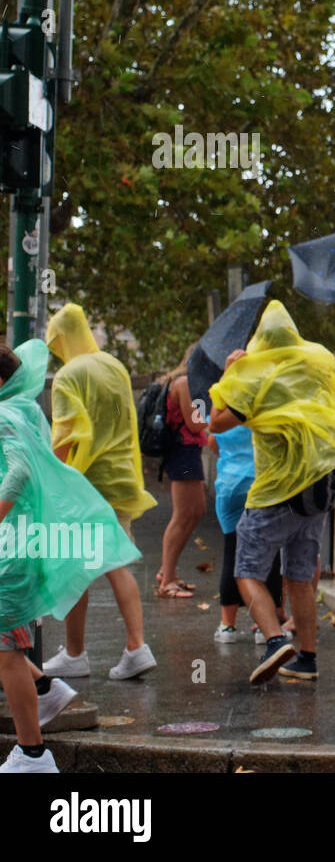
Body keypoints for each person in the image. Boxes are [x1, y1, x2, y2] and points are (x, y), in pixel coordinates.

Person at [0, 340, 140, 772]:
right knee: (4, 646)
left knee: (5, 654)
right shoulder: (23, 410)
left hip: (11, 552)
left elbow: (20, 471)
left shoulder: (5, 416)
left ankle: (33, 754)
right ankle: (45, 691)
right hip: (18, 545)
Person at [207, 301, 335, 684]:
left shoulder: (255, 371)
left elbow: (217, 422)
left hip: (275, 491)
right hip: (319, 490)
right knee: (300, 575)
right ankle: (308, 658)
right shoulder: (319, 360)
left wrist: (233, 373)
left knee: (246, 571)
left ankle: (274, 640)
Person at [42, 304, 158, 681]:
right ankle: (135, 646)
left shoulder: (68, 376)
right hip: (121, 479)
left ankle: (76, 654)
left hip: (82, 483)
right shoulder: (114, 366)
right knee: (114, 562)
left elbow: (65, 436)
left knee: (73, 568)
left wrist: (46, 479)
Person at [209, 421, 285, 643]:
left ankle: (227, 626)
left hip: (229, 486)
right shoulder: (264, 400)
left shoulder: (222, 405)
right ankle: (265, 626)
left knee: (231, 551)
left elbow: (213, 442)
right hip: (261, 484)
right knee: (270, 555)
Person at [156, 344, 210, 598]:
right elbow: (195, 423)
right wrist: (216, 417)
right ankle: (166, 579)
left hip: (189, 452)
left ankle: (169, 572)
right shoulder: (184, 383)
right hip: (182, 453)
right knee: (182, 515)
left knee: (196, 510)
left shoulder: (192, 384)